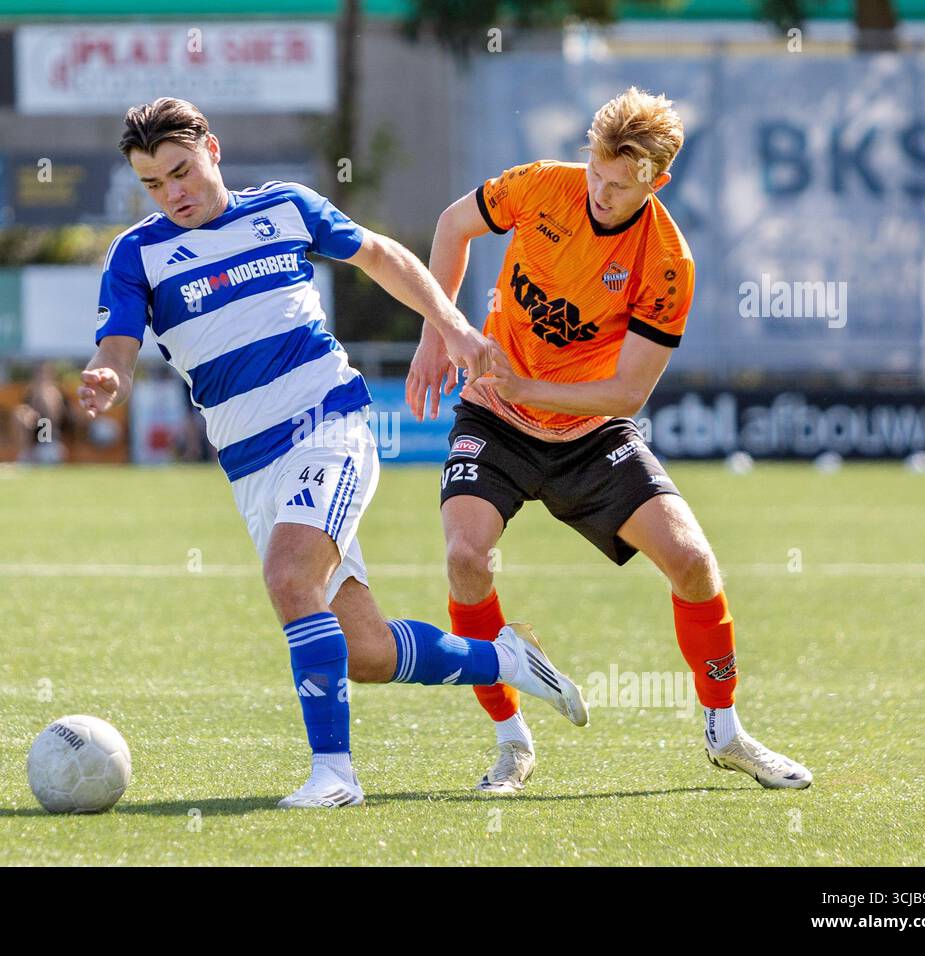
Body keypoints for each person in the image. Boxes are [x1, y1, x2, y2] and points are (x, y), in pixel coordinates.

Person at [77, 97, 588, 809]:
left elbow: (380, 255)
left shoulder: (285, 207)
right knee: (367, 651)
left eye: (181, 171)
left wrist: (452, 328)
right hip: (252, 468)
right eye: (154, 184)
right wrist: (110, 375)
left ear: (212, 151)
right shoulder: (138, 253)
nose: (173, 193)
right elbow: (120, 345)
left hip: (331, 426)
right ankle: (505, 658)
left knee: (291, 579)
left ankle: (335, 776)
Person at [407, 87, 812, 793]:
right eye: (596, 170)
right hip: (492, 418)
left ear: (659, 180)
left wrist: (532, 390)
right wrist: (437, 334)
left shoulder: (667, 263)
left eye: (622, 185)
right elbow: (450, 226)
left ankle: (727, 733)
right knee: (466, 557)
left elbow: (627, 394)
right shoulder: (541, 186)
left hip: (590, 433)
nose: (601, 190)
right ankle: (511, 741)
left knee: (692, 562)